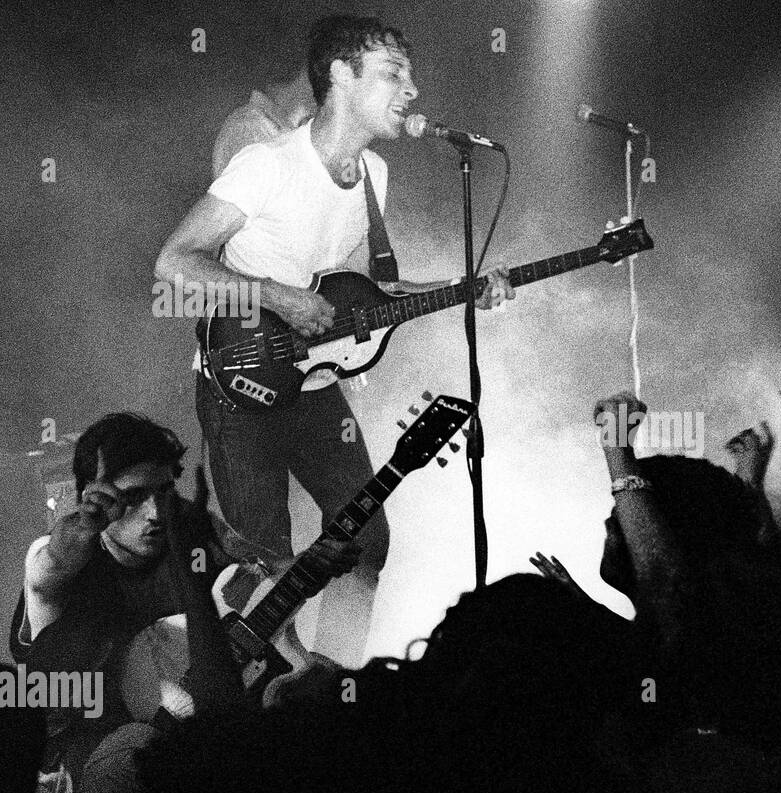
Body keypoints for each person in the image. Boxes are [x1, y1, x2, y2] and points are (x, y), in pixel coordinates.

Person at [156, 15, 514, 667]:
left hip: (316, 389)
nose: (411, 87)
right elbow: (176, 262)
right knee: (266, 565)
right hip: (239, 380)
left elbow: (366, 290)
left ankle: (332, 681)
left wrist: (463, 287)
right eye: (393, 72)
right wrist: (278, 294)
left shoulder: (373, 175)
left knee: (366, 541)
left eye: (410, 72)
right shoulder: (263, 162)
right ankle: (242, 691)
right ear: (341, 77)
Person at [11, 412, 358, 793]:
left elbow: (259, 565)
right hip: (106, 757)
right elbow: (51, 568)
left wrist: (308, 564)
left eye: (163, 491)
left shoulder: (192, 529)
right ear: (93, 497)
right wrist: (81, 527)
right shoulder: (57, 556)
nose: (155, 511)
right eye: (133, 496)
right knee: (134, 753)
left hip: (205, 737)